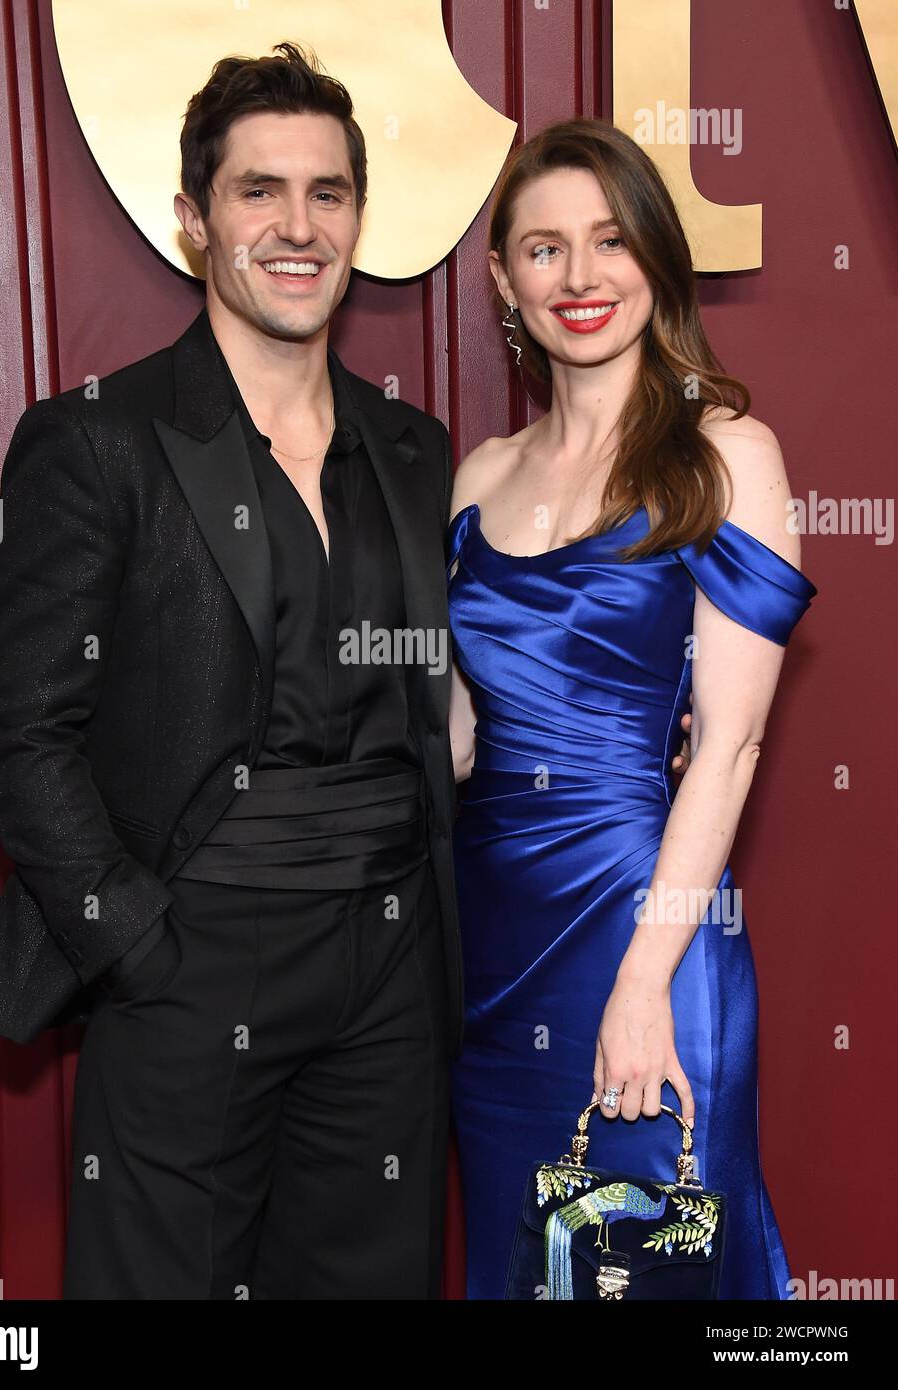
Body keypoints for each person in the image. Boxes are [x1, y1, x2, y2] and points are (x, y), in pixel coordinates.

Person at [0, 42, 462, 1300]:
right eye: (259, 191)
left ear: (357, 217)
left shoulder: (413, 449)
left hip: (389, 960)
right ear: (195, 221)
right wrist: (139, 947)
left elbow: (436, 681)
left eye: (329, 193)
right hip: (191, 948)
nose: (298, 226)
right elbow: (25, 734)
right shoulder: (96, 441)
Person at [446, 118, 816, 1299]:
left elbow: (732, 747)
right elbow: (453, 736)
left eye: (610, 240)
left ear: (656, 257)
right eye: (544, 249)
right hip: (489, 948)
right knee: (522, 1259)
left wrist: (645, 982)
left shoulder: (723, 454)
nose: (581, 275)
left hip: (639, 923)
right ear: (504, 278)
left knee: (643, 1268)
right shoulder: (479, 473)